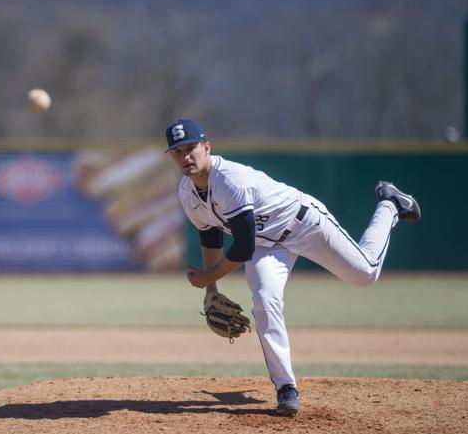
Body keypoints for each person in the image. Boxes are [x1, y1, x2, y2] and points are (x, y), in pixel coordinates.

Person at [165, 119, 420, 415]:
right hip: (266, 245)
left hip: (303, 224)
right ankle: (286, 387)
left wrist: (209, 275)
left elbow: (242, 247)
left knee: (366, 274)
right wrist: (212, 289)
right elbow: (210, 236)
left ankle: (389, 204)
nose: (185, 157)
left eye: (190, 148)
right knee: (264, 300)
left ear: (206, 147)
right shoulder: (187, 193)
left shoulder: (229, 181)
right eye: (177, 152)